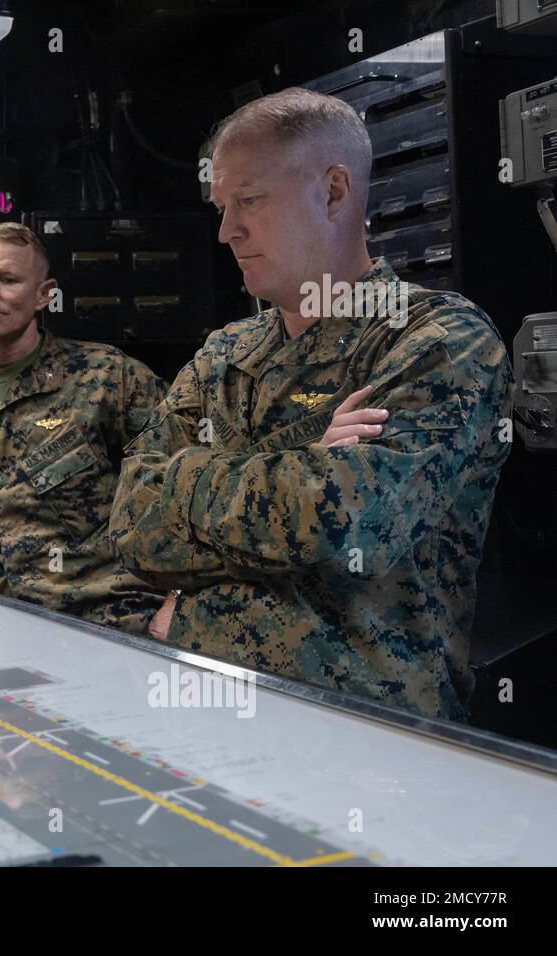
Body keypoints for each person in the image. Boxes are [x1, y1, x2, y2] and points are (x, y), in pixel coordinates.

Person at [109, 89, 513, 720]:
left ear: (332, 191)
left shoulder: (438, 340)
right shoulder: (225, 353)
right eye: (221, 207)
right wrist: (305, 463)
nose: (226, 231)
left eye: (249, 200)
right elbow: (132, 524)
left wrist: (186, 487)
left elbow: (348, 526)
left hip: (367, 734)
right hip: (203, 716)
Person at [0, 222, 167, 634]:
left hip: (101, 621)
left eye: (9, 279)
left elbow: (182, 490)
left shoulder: (107, 378)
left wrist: (179, 601)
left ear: (43, 294)